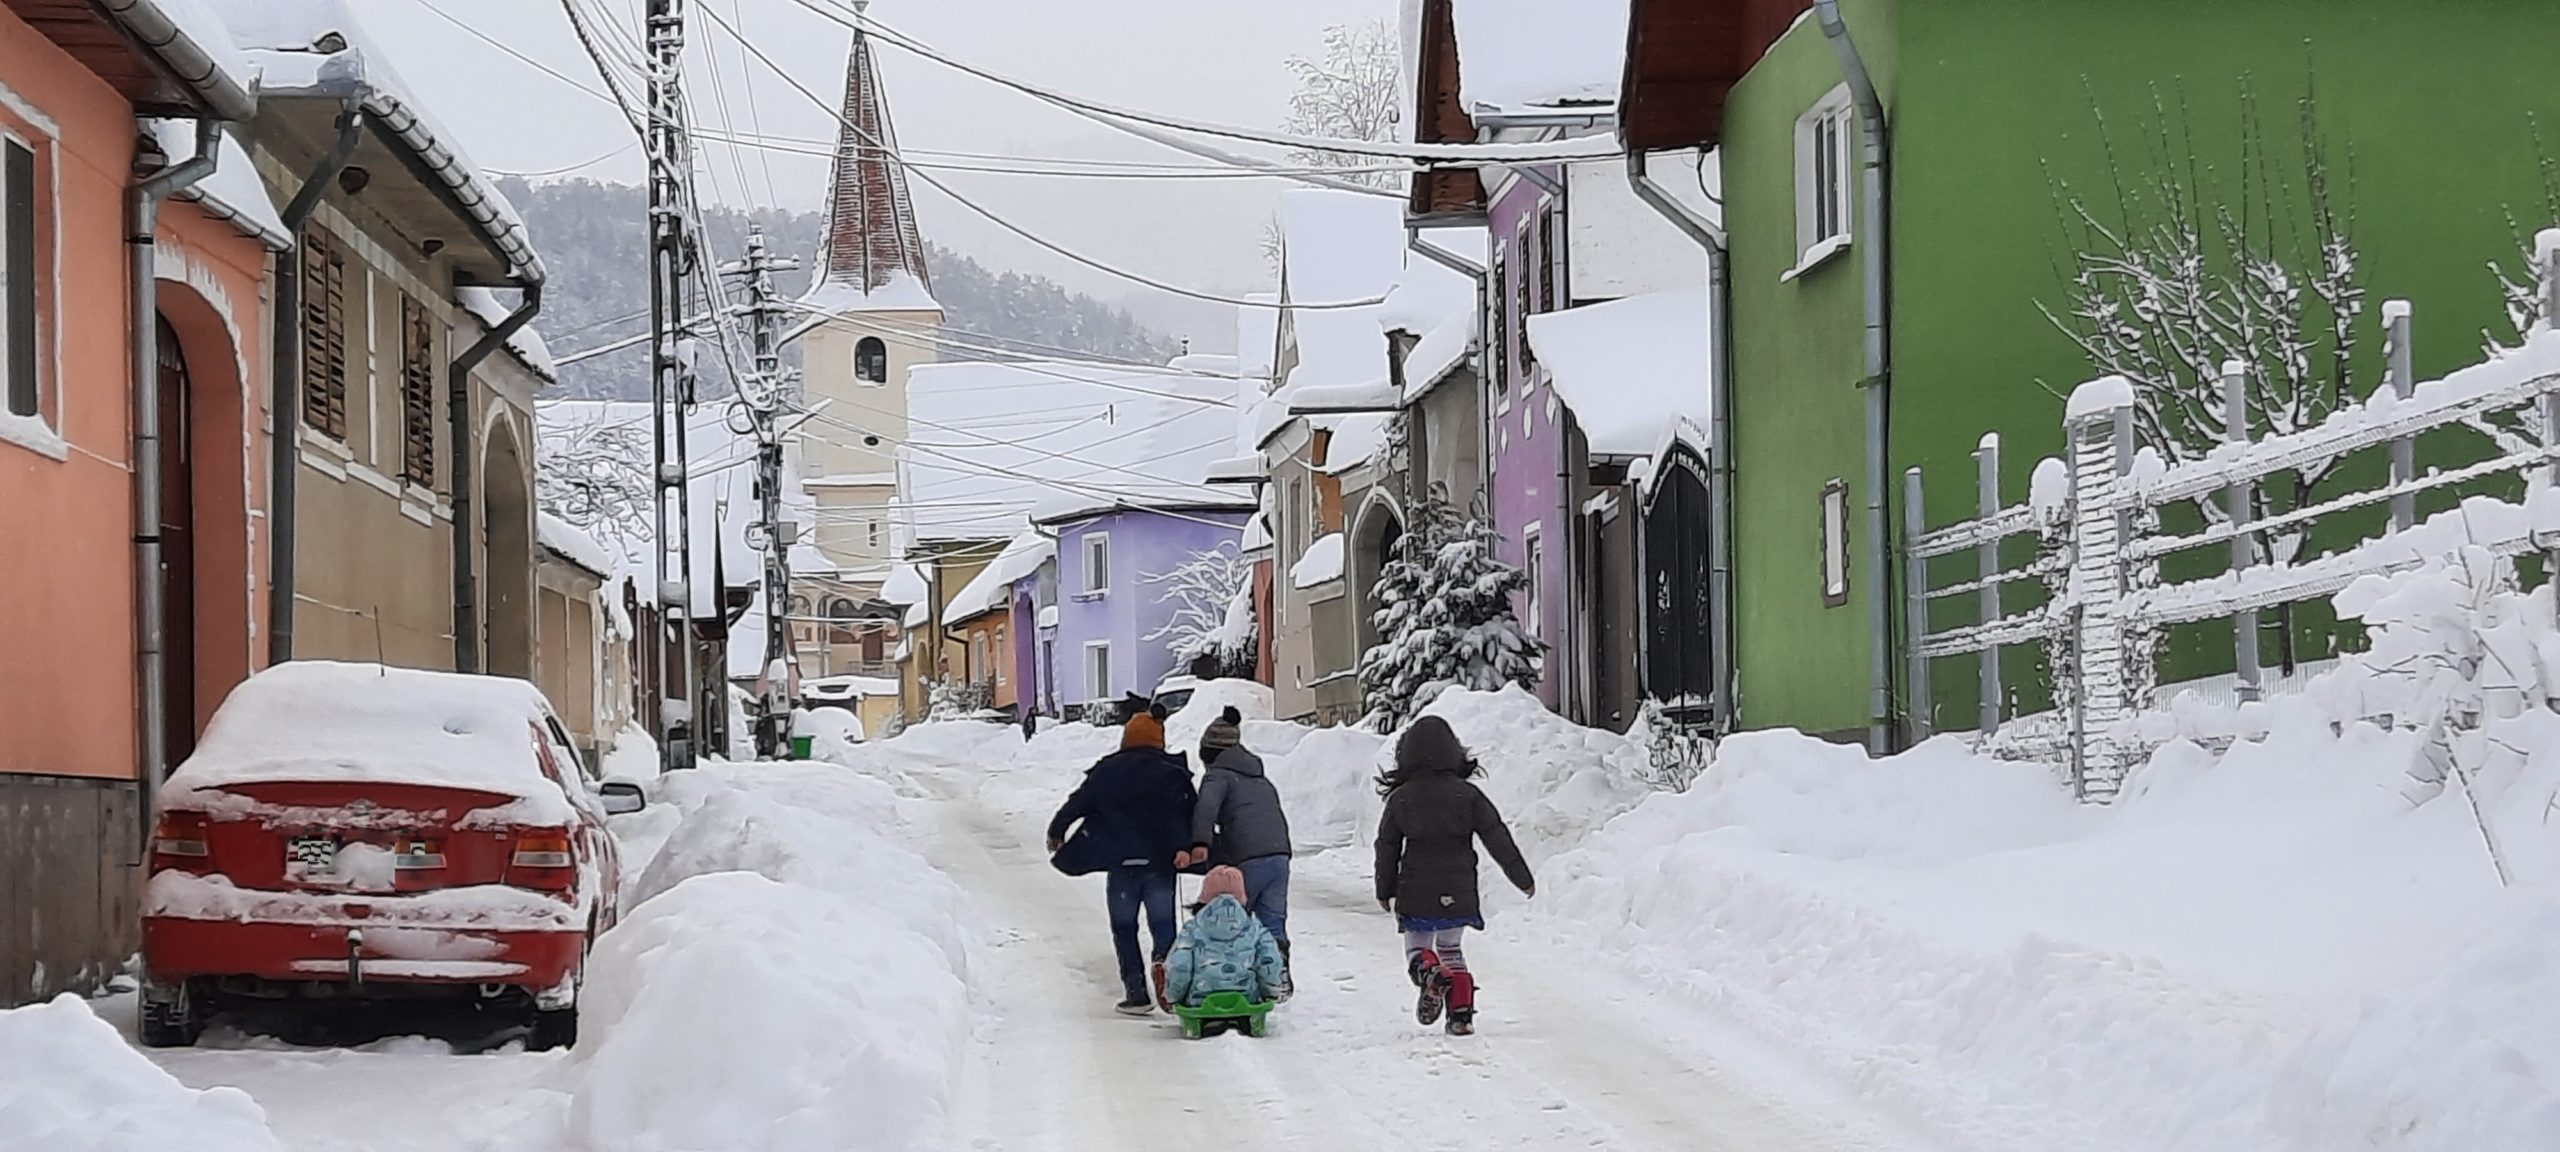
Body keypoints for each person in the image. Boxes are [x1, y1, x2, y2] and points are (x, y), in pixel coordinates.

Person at [1373, 715, 1534, 1037]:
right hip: (1458, 888)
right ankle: (1460, 1014)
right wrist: (1522, 877)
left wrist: (1384, 888)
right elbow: (1496, 836)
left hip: (1416, 890)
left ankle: (1429, 973)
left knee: (1419, 950)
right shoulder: (1468, 795)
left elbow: (1387, 846)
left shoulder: (1401, 798)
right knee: (1451, 949)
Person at [1047, 705, 1198, 1016]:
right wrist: (1185, 846)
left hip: (1121, 863)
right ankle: (1169, 979)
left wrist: (1057, 830)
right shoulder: (1171, 774)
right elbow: (1181, 814)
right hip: (1159, 863)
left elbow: (1077, 803)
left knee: (1124, 927)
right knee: (1163, 925)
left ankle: (1136, 992)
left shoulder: (1107, 772)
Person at [1178, 706, 1295, 996]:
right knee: (1272, 920)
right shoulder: (1259, 777)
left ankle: (1229, 980)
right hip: (1280, 854)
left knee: (1233, 922)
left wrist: (1200, 844)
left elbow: (1206, 809)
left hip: (1248, 856)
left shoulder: (1219, 776)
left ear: (1210, 752)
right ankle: (1278, 974)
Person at [1162, 865, 1286, 1010]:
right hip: (1247, 1000)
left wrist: (1174, 997)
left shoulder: (1192, 930)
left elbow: (1179, 965)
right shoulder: (1254, 928)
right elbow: (1270, 961)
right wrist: (1270, 992)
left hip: (1200, 1002)